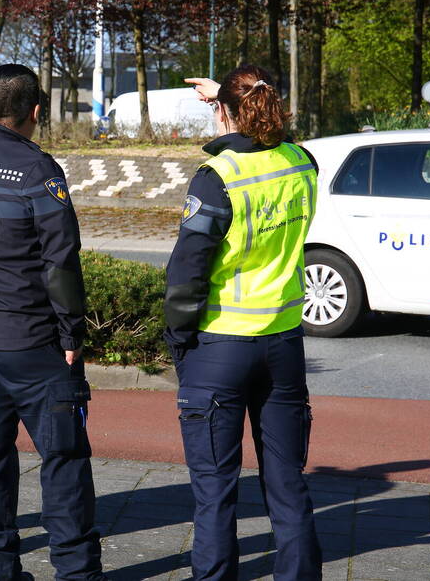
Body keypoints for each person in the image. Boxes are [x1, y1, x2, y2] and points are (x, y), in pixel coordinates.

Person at [0, 64, 107, 581]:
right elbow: (61, 262)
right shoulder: (38, 172)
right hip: (34, 343)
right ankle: (76, 571)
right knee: (64, 458)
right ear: (35, 112)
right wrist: (71, 332)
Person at [165, 65, 322, 581]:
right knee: (287, 483)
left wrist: (178, 340)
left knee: (215, 490)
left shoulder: (218, 176)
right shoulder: (301, 162)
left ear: (226, 113)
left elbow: (188, 270)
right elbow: (274, 135)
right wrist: (229, 100)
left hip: (221, 347)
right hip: (283, 343)